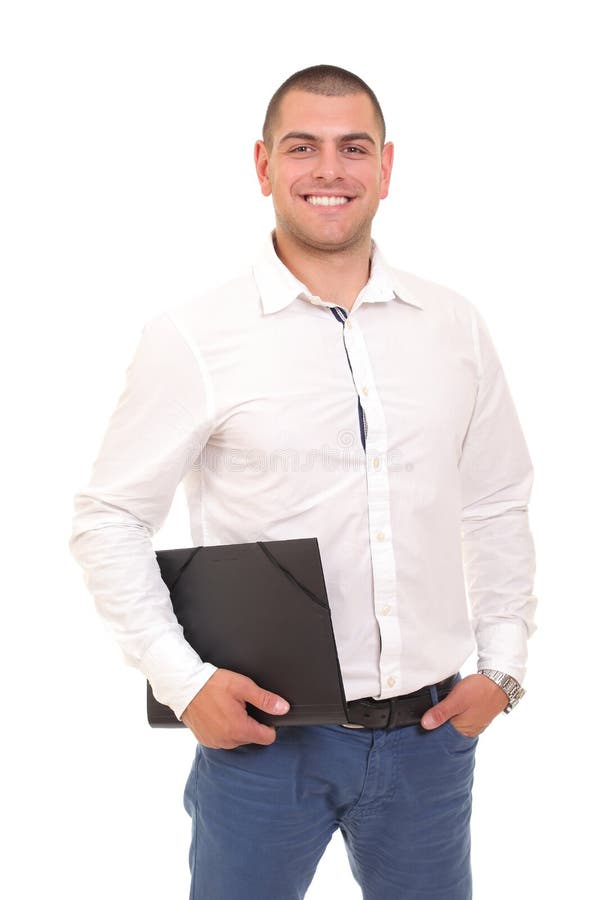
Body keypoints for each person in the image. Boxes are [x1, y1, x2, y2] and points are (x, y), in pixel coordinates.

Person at [69, 64, 537, 900]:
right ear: (263, 167)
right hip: (264, 741)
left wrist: (502, 668)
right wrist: (185, 685)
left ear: (386, 168)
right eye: (303, 148)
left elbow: (498, 500)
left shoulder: (454, 325)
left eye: (353, 148)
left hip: (432, 735)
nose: (330, 171)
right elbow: (108, 518)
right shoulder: (195, 336)